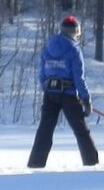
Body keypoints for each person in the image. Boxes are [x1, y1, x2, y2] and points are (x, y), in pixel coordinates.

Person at [27, 15, 100, 169]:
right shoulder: (74, 50)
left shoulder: (48, 49)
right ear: (75, 32)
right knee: (81, 130)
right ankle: (91, 163)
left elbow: (42, 75)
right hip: (68, 95)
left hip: (50, 95)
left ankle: (35, 163)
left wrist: (47, 90)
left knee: (45, 130)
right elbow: (78, 78)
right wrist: (86, 99)